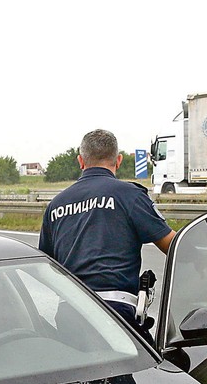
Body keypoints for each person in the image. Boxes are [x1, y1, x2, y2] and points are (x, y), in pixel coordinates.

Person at [39, 129, 176, 328]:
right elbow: (173, 246)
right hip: (116, 312)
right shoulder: (130, 195)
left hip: (69, 314)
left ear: (81, 161)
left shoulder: (56, 205)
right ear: (118, 160)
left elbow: (46, 265)